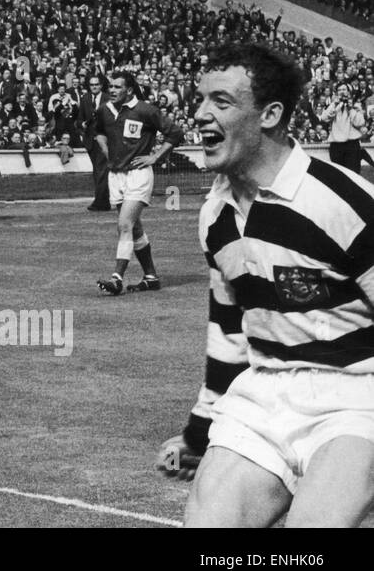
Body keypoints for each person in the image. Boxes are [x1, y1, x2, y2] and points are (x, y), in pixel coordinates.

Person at [158, 42, 374, 527]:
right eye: (200, 99)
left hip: (358, 398)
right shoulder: (215, 215)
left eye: (221, 101)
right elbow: (230, 332)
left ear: (271, 115)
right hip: (264, 395)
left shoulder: (345, 203)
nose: (200, 113)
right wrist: (200, 431)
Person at [93, 70, 182, 295]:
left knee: (124, 225)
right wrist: (105, 149)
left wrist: (155, 157)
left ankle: (116, 278)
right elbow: (98, 132)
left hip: (138, 174)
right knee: (134, 228)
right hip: (116, 176)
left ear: (130, 89)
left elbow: (175, 133)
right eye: (110, 86)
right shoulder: (104, 110)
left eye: (117, 86)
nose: (112, 90)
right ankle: (151, 277)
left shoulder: (145, 110)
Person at [79, 74, 111, 211]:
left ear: (101, 85)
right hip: (90, 141)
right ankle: (103, 200)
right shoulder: (85, 98)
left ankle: (100, 202)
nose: (94, 87)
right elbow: (79, 118)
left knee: (101, 170)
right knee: (98, 171)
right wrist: (82, 124)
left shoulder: (108, 98)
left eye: (96, 84)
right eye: (91, 85)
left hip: (104, 140)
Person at [319, 82, 366, 174]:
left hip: (351, 144)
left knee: (353, 174)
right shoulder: (334, 105)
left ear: (349, 92)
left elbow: (360, 123)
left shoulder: (356, 105)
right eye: (339, 90)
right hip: (336, 145)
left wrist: (350, 108)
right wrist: (334, 104)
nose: (341, 92)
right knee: (338, 175)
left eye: (344, 89)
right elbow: (324, 118)